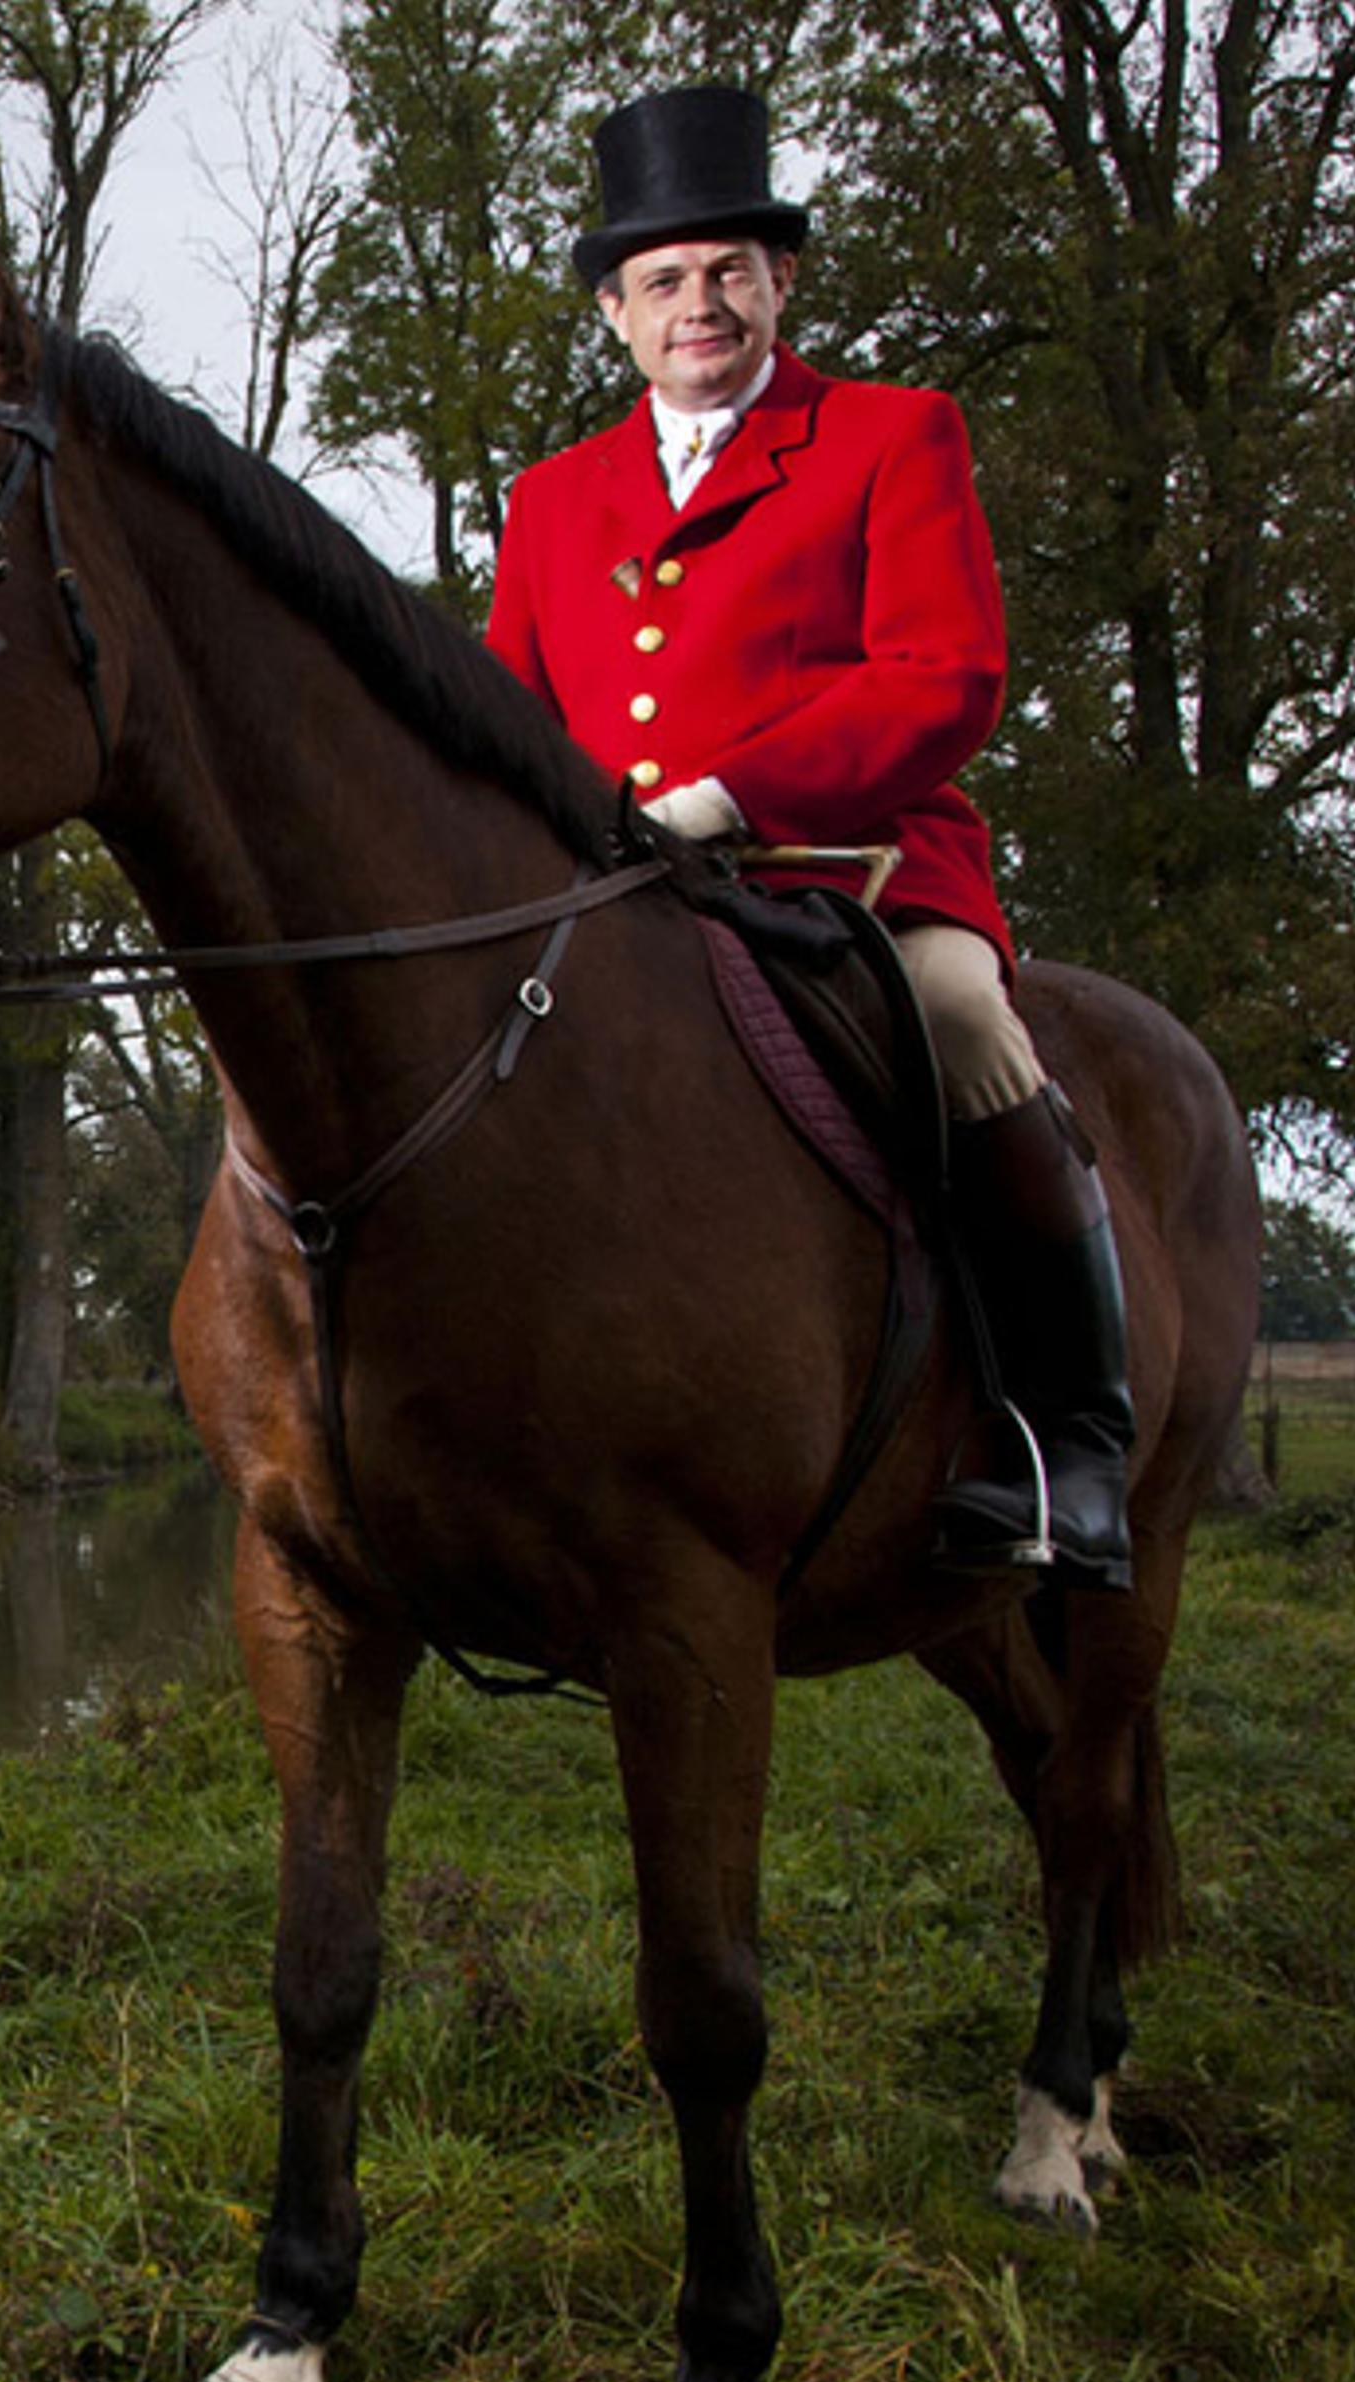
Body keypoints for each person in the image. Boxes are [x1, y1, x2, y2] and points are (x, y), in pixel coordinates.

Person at [485, 84, 1135, 1592]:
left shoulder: (892, 436)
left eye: (729, 271)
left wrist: (731, 798)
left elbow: (946, 678)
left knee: (962, 1018)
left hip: (857, 873)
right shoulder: (552, 501)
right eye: (663, 281)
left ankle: (1073, 1443)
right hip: (626, 891)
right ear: (615, 312)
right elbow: (514, 718)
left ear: (781, 282)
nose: (698, 305)